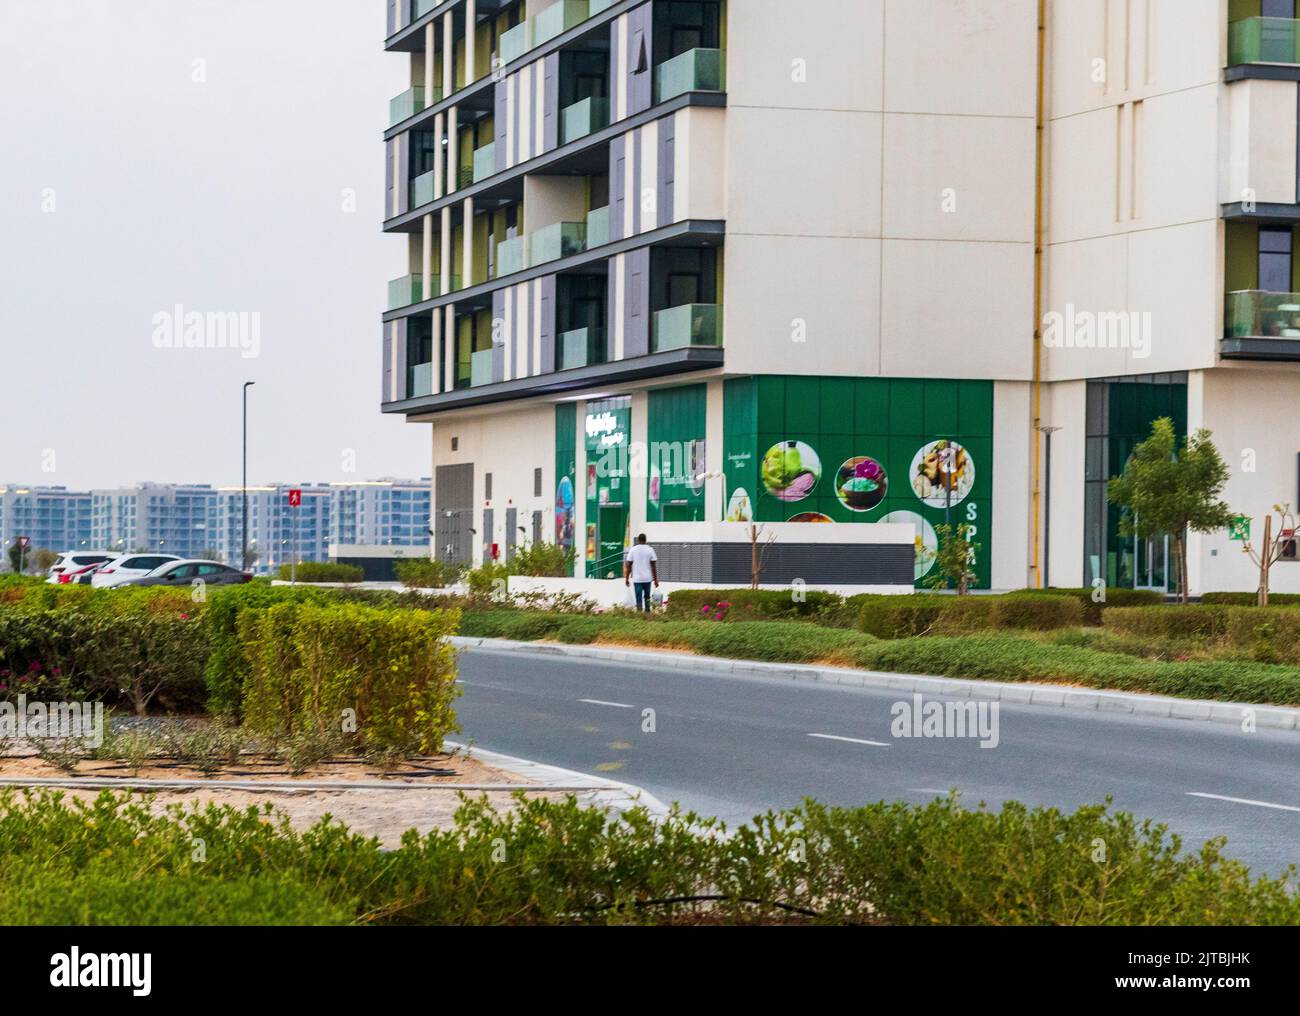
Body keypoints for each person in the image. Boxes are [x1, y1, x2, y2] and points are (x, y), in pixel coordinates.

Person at [624, 533, 659, 612]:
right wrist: (655, 580)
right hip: (647, 578)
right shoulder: (650, 549)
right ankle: (647, 613)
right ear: (645, 540)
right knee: (647, 598)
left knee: (638, 598)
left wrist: (626, 578)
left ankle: (639, 614)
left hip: (637, 579)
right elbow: (653, 566)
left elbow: (629, 565)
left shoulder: (633, 549)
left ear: (638, 540)